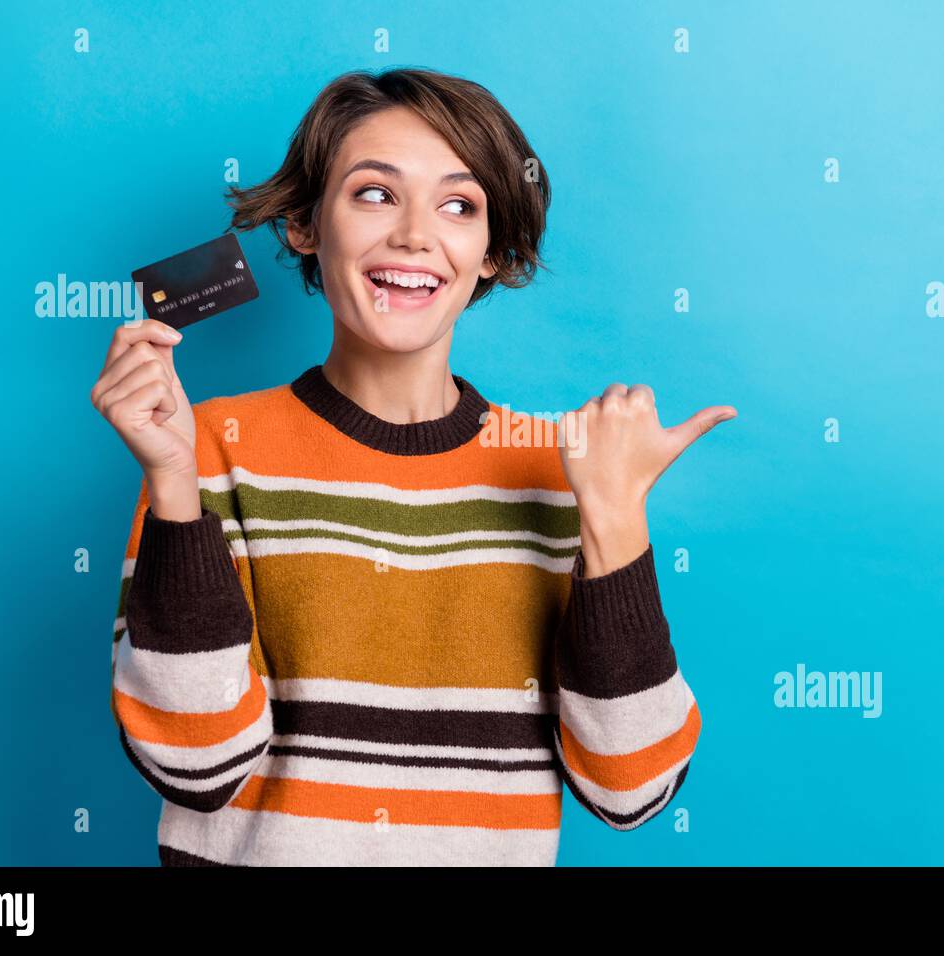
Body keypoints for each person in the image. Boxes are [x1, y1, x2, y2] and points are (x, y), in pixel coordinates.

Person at [91, 67, 736, 866]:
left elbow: (631, 789)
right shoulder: (207, 445)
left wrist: (615, 520)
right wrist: (173, 486)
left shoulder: (560, 469)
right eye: (374, 194)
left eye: (459, 206)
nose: (414, 236)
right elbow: (196, 765)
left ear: (493, 252)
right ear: (302, 224)